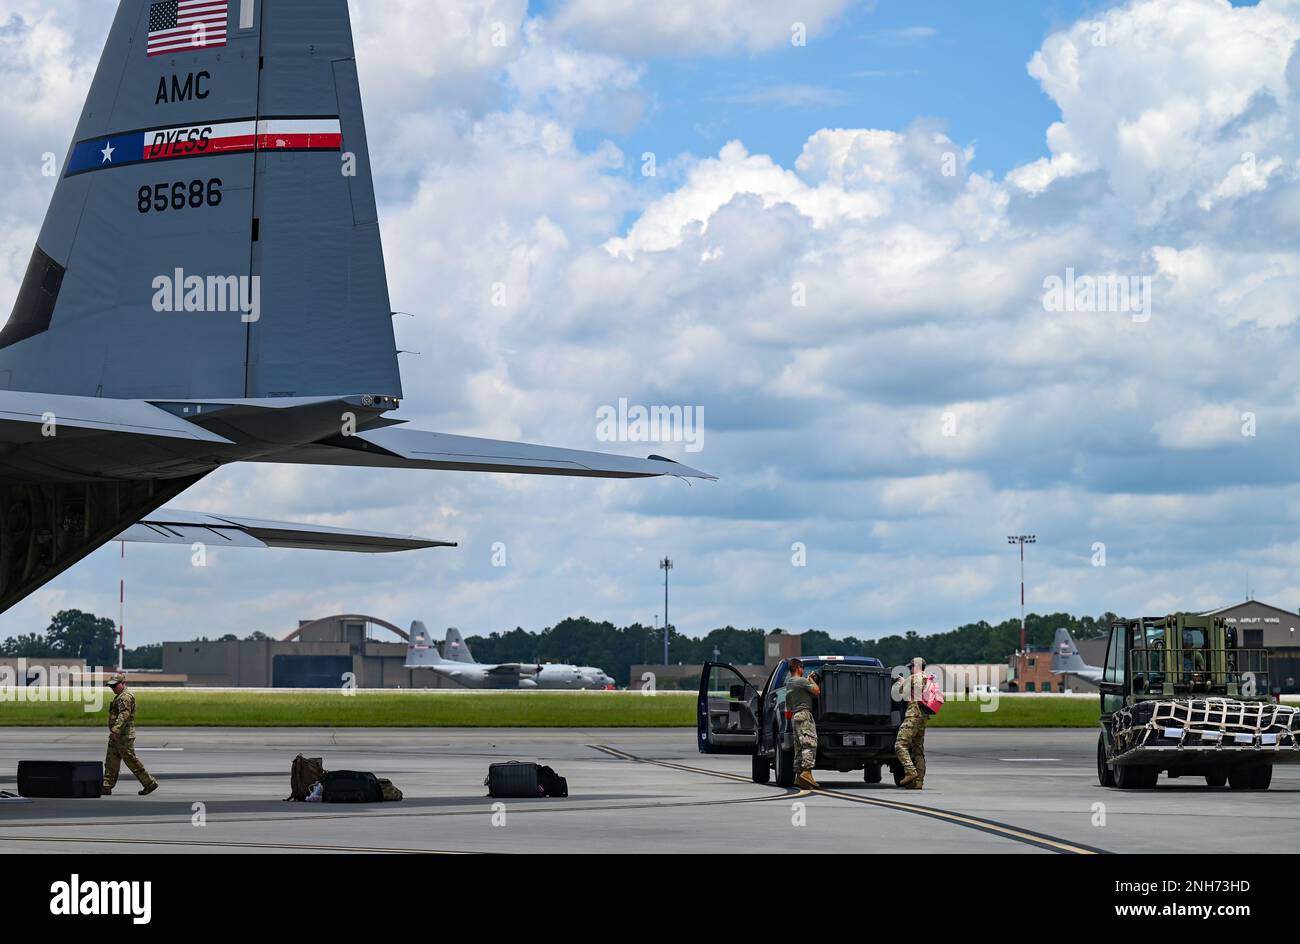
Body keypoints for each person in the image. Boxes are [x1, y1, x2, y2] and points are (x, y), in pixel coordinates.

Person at [102, 673, 159, 796]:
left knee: (130, 760)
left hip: (123, 735)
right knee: (111, 760)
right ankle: (106, 785)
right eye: (111, 686)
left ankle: (149, 783)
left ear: (123, 684)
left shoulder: (125, 697)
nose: (112, 688)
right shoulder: (120, 696)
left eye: (115, 686)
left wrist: (116, 730)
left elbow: (124, 715)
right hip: (117, 735)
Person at [785, 658, 821, 789]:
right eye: (802, 667)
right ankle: (806, 773)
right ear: (798, 668)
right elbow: (817, 691)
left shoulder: (789, 682)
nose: (803, 669)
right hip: (804, 714)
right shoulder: (801, 681)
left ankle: (800, 776)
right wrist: (811, 679)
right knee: (809, 743)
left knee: (799, 746)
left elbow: (788, 705)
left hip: (795, 715)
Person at [895, 657, 928, 790]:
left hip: (912, 716)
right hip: (923, 717)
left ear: (916, 666)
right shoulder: (929, 679)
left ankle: (910, 771)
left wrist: (902, 682)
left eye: (911, 667)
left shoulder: (914, 677)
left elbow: (902, 695)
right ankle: (919, 781)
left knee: (900, 745)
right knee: (918, 750)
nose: (910, 669)